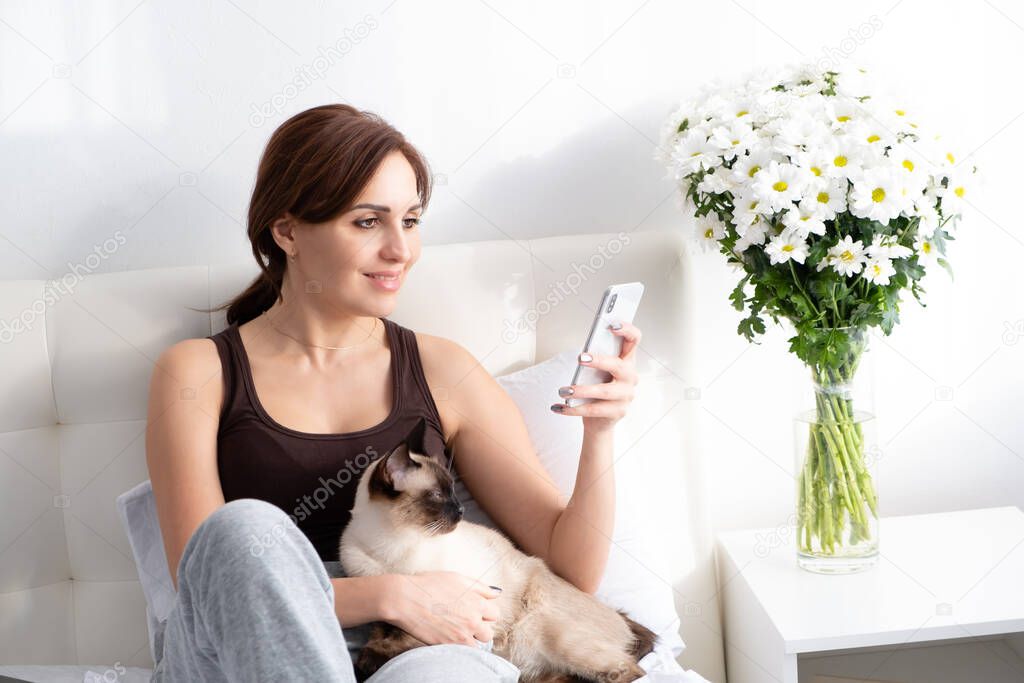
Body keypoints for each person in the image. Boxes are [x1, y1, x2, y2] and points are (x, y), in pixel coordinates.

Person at [144, 103, 643, 682]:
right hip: (241, 646)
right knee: (241, 529)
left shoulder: (441, 369)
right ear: (286, 232)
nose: (400, 250)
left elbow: (568, 570)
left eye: (410, 220)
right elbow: (204, 580)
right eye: (367, 222)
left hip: (422, 644)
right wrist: (388, 596)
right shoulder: (197, 371)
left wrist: (600, 433)